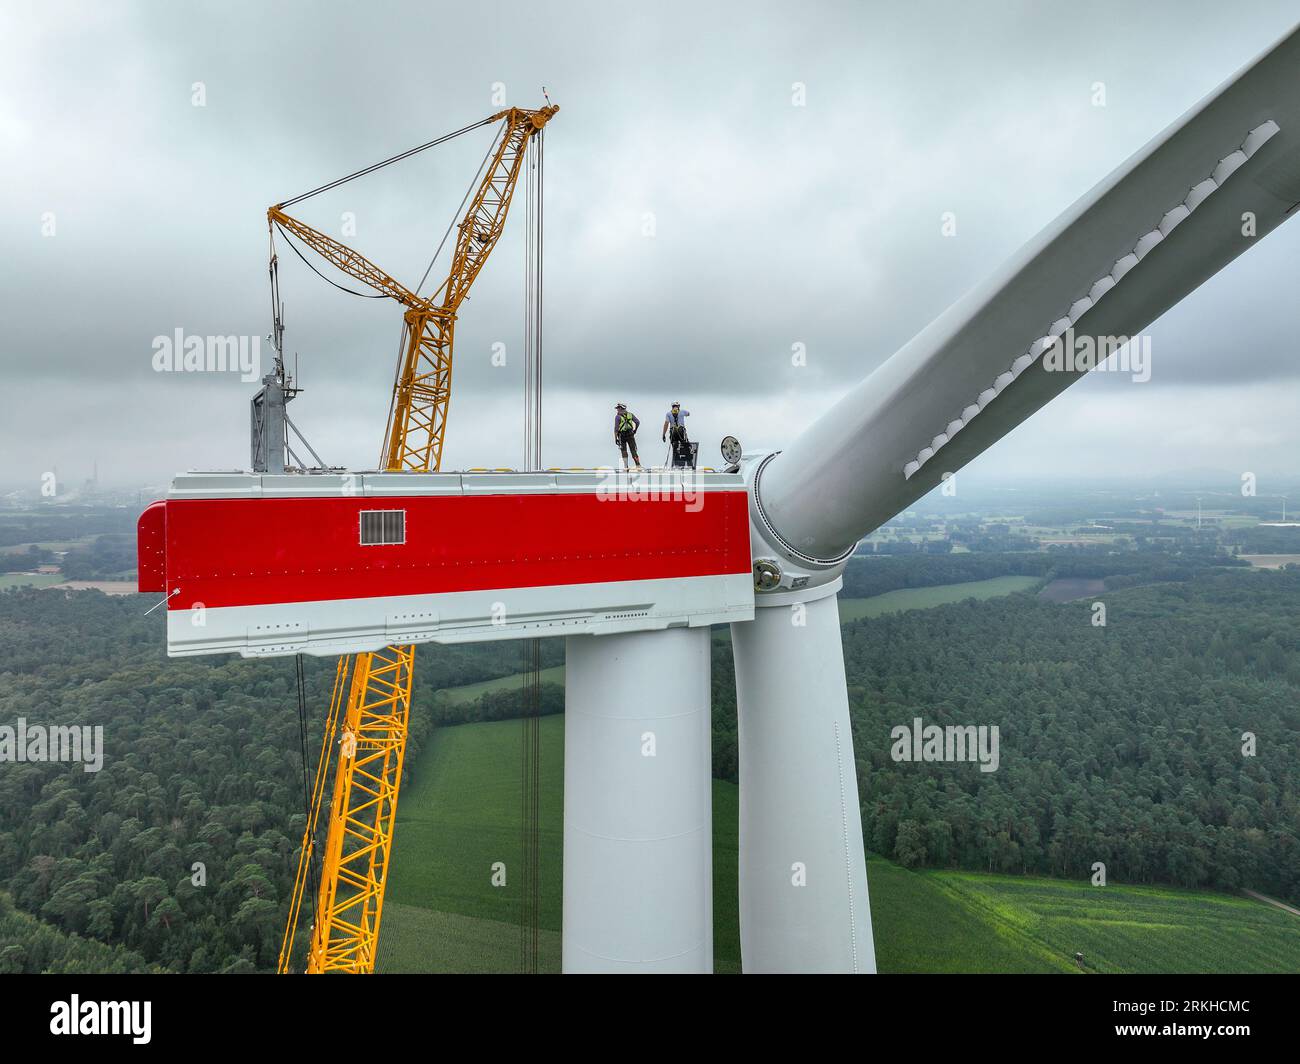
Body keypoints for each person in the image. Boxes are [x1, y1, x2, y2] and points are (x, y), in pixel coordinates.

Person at [613, 403, 642, 470]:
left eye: (618, 408)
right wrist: (635, 430)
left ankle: (626, 467)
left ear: (620, 408)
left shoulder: (617, 417)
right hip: (630, 434)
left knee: (624, 451)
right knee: (633, 450)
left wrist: (615, 438)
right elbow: (637, 422)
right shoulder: (630, 415)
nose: (617, 410)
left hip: (622, 436)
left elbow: (616, 429)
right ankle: (638, 465)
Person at [662, 402, 692, 467]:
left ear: (672, 407)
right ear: (678, 406)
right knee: (685, 446)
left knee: (675, 448)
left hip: (673, 432)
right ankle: (689, 464)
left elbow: (666, 424)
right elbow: (689, 413)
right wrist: (684, 415)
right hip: (681, 431)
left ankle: (678, 464)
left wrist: (663, 434)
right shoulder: (682, 411)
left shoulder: (668, 414)